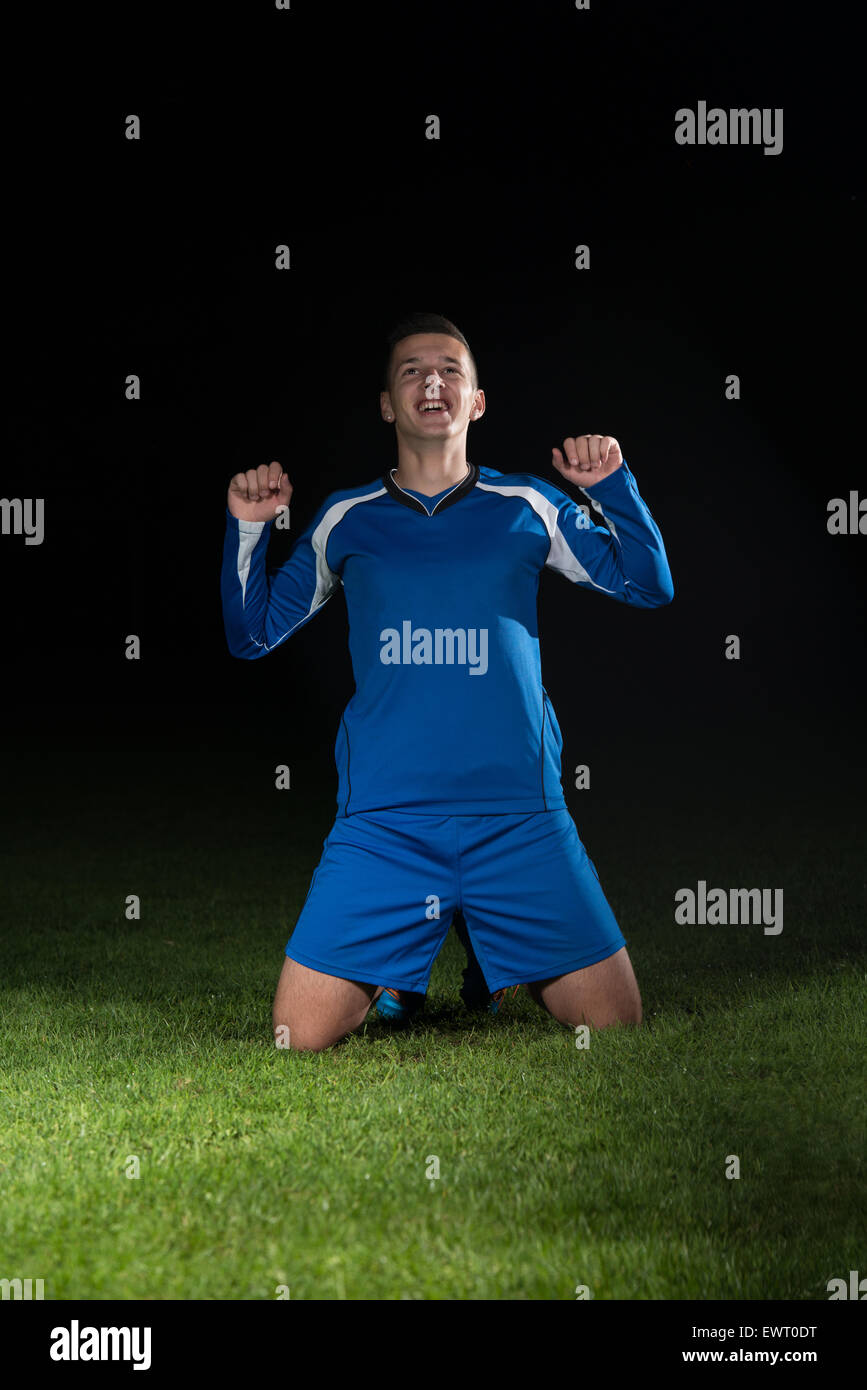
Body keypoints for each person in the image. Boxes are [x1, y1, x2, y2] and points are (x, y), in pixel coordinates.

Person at [220, 312, 674, 1052]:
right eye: (411, 372)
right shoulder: (347, 519)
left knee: (617, 1025)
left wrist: (612, 486)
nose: (432, 382)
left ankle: (489, 962)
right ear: (387, 404)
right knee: (292, 1038)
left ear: (475, 401)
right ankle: (403, 970)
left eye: (449, 371)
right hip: (386, 825)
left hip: (518, 817)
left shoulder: (527, 506)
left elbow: (648, 586)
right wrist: (246, 526)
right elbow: (252, 635)